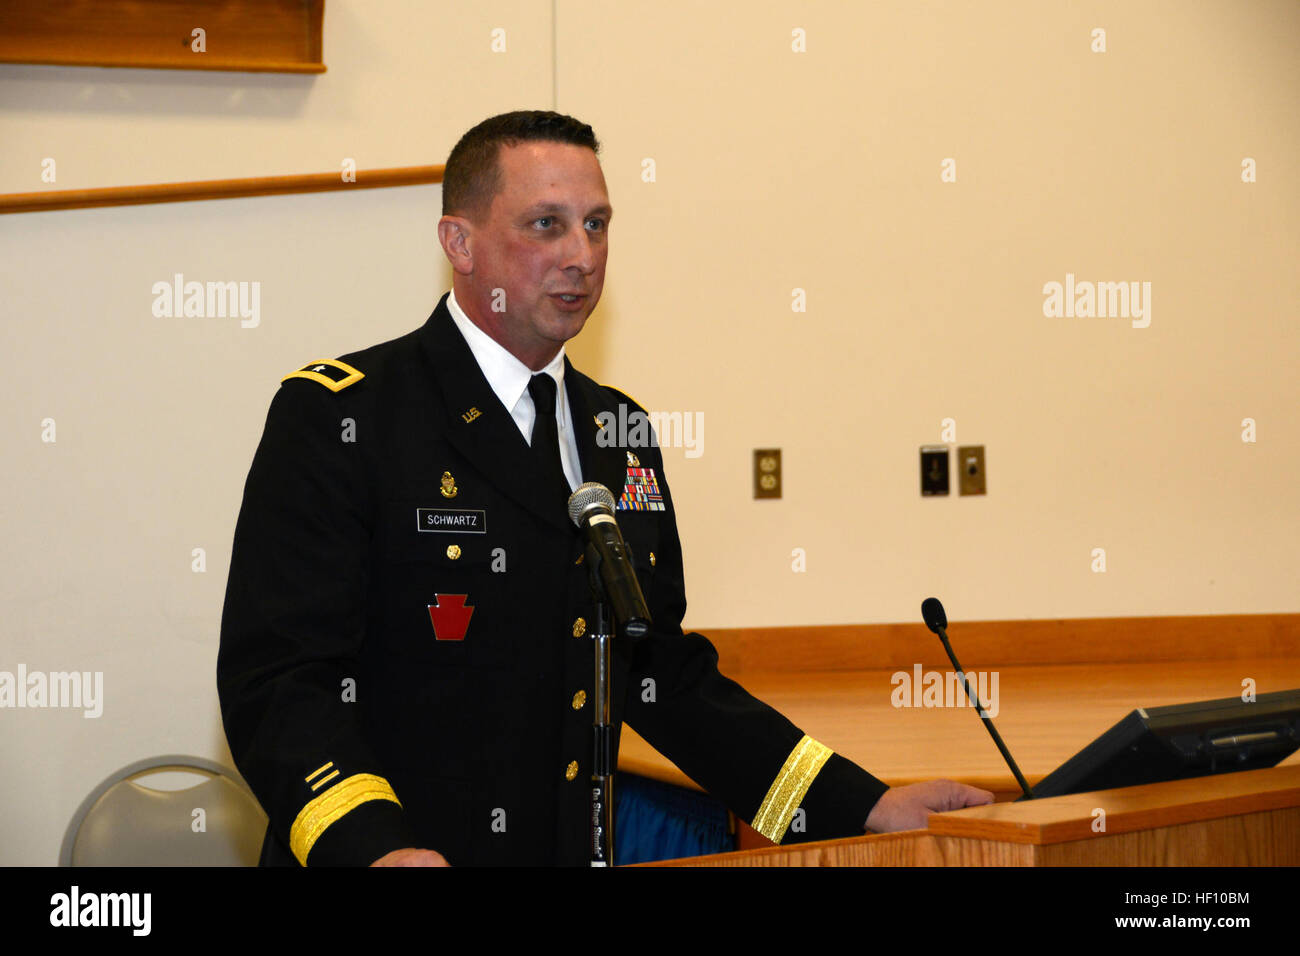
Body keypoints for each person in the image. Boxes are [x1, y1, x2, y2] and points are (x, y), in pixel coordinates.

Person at [216, 110, 992, 867]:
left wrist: (861, 805)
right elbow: (280, 683)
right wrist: (371, 848)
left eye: (597, 224)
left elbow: (663, 680)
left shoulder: (619, 434)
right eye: (546, 225)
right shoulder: (344, 415)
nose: (582, 255)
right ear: (460, 242)